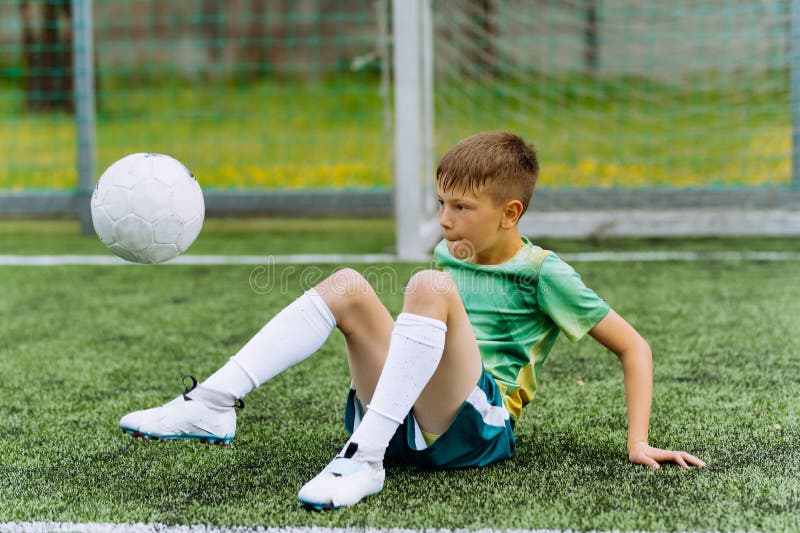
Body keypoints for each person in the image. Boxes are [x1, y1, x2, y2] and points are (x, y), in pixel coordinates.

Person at [119, 131, 706, 510]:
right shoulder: (454, 253)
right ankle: (214, 405)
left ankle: (363, 460)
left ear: (511, 214)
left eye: (461, 208)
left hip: (479, 430)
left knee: (428, 285)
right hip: (401, 419)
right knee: (349, 283)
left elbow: (635, 348)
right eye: (441, 204)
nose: (445, 221)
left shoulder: (545, 273)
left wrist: (638, 442)